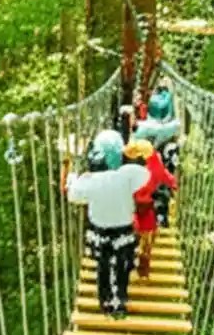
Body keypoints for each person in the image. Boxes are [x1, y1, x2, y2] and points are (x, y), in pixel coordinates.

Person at [64, 130, 151, 317]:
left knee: (103, 266)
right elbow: (146, 175)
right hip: (124, 233)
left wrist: (73, 178)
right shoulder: (128, 174)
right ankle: (120, 300)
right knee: (122, 267)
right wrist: (132, 158)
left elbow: (73, 196)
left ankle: (105, 301)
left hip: (99, 233)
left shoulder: (89, 181)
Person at [124, 139, 178, 279]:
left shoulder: (126, 166)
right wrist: (174, 184)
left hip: (131, 207)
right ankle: (143, 265)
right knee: (148, 237)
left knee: (135, 234)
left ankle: (133, 258)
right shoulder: (155, 165)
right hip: (146, 207)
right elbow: (166, 177)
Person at [133, 86, 181, 227]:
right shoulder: (152, 128)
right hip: (153, 164)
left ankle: (145, 221)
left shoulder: (139, 131)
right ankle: (160, 216)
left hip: (140, 169)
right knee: (160, 187)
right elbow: (173, 127)